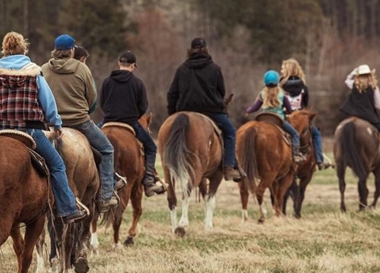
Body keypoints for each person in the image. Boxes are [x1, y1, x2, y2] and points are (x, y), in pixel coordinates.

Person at [0, 31, 87, 224]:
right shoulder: (34, 73)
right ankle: (67, 209)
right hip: (29, 131)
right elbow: (48, 103)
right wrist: (56, 123)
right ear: (24, 49)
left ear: (4, 50)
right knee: (57, 165)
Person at [41, 34, 123, 212]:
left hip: (51, 125)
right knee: (107, 149)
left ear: (55, 51)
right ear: (72, 50)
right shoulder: (82, 68)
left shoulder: (44, 69)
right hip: (79, 122)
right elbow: (92, 99)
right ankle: (106, 195)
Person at [167, 37, 243, 181]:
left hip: (185, 111)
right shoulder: (215, 69)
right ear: (205, 49)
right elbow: (221, 91)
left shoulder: (181, 69)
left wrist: (172, 114)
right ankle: (228, 167)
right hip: (211, 111)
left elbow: (172, 94)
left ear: (191, 50)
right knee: (230, 132)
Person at [99, 51, 166, 197]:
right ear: (133, 66)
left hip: (108, 121)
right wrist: (132, 114)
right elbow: (143, 107)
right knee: (151, 148)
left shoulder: (107, 81)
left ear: (119, 63)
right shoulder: (138, 83)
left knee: (89, 142)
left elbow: (102, 103)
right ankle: (149, 181)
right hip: (129, 122)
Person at [340, 64, 380, 168]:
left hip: (354, 116)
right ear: (370, 75)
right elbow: (378, 105)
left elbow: (347, 80)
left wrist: (353, 72)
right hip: (369, 117)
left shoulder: (353, 85)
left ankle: (341, 158)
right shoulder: (374, 88)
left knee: (342, 134)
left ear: (358, 76)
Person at [245, 70, 305, 164]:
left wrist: (248, 110)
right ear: (277, 81)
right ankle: (296, 155)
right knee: (295, 134)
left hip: (264, 119)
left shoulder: (262, 93)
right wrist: (287, 111)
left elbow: (255, 107)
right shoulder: (282, 94)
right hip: (278, 119)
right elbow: (289, 110)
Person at [280, 58, 330, 170]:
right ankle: (319, 160)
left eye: (282, 69)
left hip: (285, 117)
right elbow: (305, 105)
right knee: (316, 134)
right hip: (300, 118)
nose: (281, 71)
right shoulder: (303, 87)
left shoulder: (280, 86)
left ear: (288, 70)